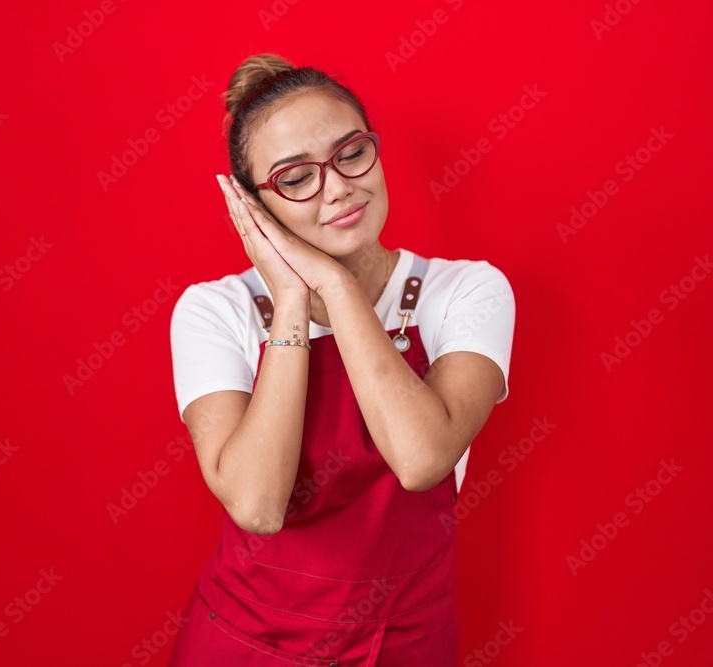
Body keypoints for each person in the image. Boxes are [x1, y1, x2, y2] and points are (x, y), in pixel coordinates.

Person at [167, 53, 515, 666]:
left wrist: (334, 284)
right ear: (253, 207)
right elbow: (257, 504)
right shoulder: (214, 310)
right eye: (295, 177)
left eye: (350, 152)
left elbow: (420, 457)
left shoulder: (465, 291)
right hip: (246, 644)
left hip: (405, 643)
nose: (337, 185)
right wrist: (293, 299)